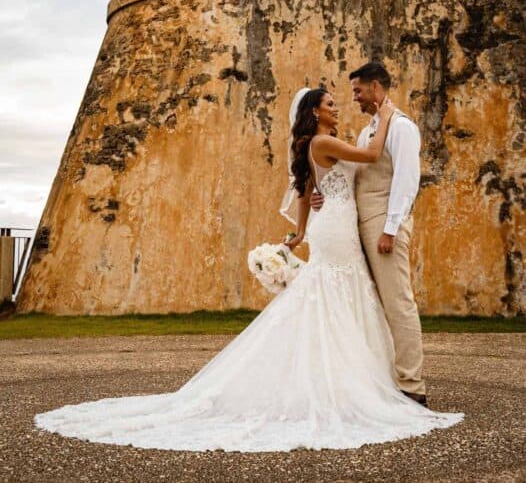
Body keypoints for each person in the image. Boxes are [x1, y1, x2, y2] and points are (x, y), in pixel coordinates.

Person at [34, 87, 462, 452]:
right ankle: (347, 383)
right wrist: (386, 113)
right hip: (337, 230)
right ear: (315, 111)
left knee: (340, 295)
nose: (337, 106)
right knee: (337, 292)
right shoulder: (321, 143)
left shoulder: (321, 144)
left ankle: (352, 375)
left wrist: (298, 232)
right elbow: (368, 155)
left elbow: (305, 189)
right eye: (331, 103)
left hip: (334, 223)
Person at [310, 62, 426, 404]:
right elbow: (354, 174)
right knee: (375, 305)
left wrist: (390, 230)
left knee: (398, 303)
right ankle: (385, 376)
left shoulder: (401, 127)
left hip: (383, 227)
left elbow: (406, 182)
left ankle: (412, 386)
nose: (354, 98)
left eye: (358, 91)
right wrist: (324, 194)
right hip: (359, 226)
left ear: (376, 88)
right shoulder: (368, 132)